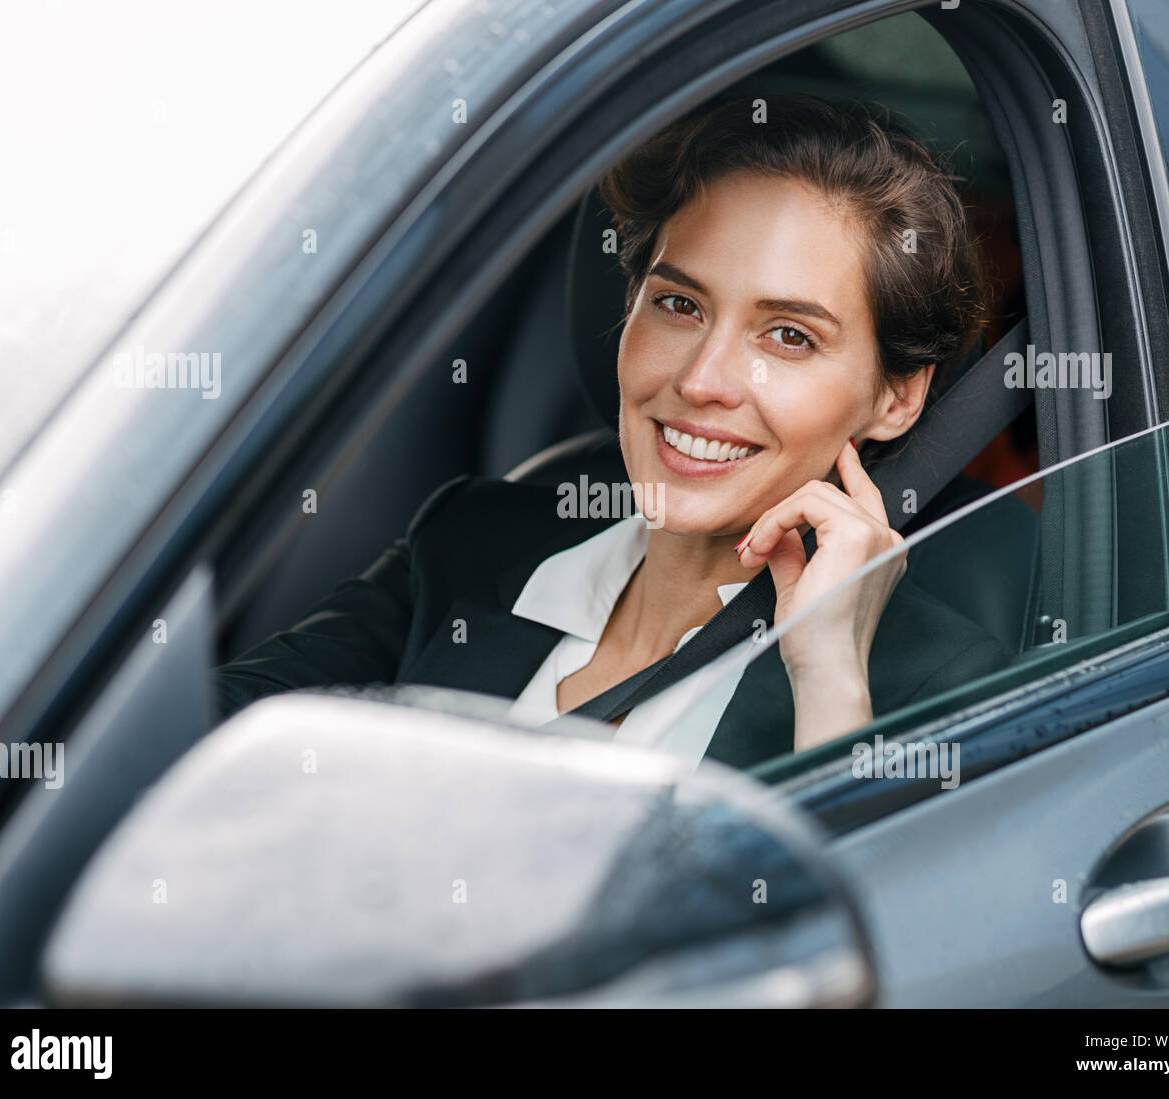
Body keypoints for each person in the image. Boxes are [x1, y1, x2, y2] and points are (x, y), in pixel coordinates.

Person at [215, 92, 1012, 770]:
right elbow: (190, 743)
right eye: (679, 305)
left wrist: (830, 674)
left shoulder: (931, 681)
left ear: (897, 398)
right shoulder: (469, 544)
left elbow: (891, 937)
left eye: (789, 337)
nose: (701, 380)